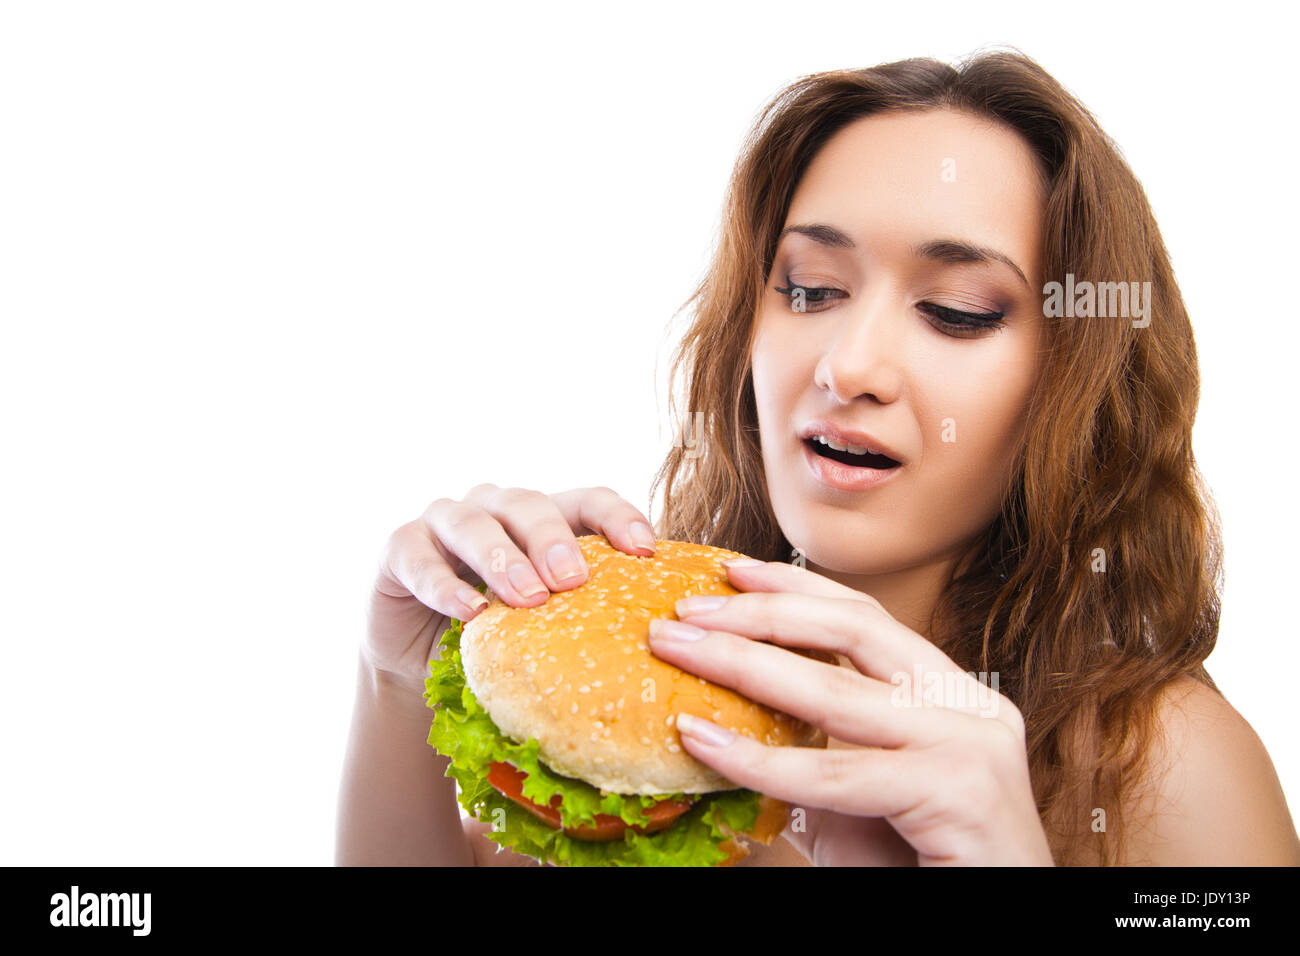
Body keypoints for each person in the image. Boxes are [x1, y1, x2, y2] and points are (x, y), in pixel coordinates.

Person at [335, 49, 1300, 866]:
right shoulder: (633, 706)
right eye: (809, 289)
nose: (848, 367)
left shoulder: (1170, 770)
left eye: (957, 311)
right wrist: (394, 680)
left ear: (1074, 380)